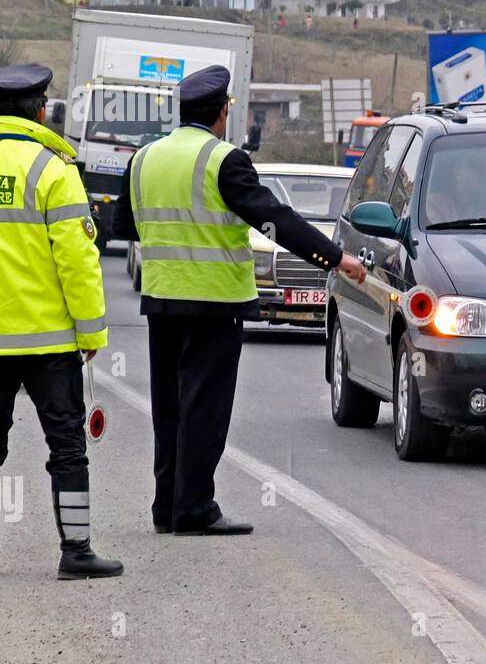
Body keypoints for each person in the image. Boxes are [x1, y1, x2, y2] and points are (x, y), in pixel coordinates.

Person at [113, 65, 366, 535]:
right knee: (204, 409)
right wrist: (336, 258)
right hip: (213, 304)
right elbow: (275, 218)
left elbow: (126, 230)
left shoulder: (144, 158)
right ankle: (195, 510)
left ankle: (166, 506)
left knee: (169, 408)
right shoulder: (223, 160)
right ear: (222, 111)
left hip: (162, 301)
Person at [0, 64, 122, 579]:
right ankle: (76, 552)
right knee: (66, 446)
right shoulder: (54, 171)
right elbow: (78, 262)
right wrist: (92, 333)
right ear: (41, 111)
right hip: (49, 343)